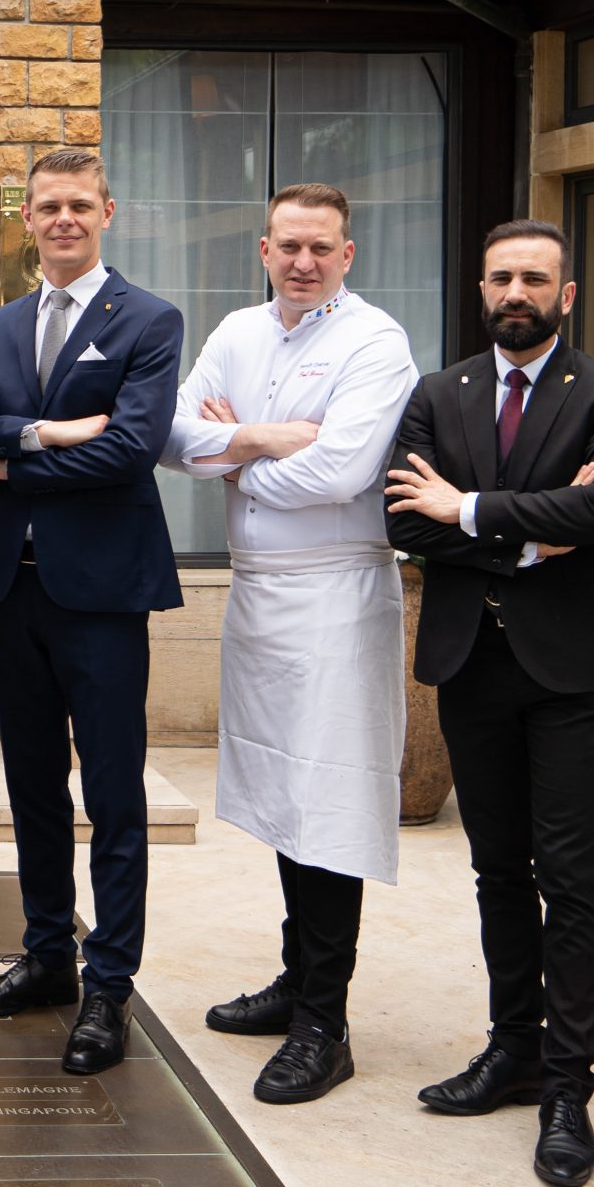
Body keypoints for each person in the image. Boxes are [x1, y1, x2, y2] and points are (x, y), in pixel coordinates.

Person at [384, 219, 594, 1187]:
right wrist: (534, 536)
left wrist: (467, 507)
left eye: (534, 277)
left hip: (571, 670)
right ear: (481, 284)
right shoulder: (439, 390)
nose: (514, 290)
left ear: (565, 293)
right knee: (497, 869)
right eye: (500, 274)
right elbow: (397, 515)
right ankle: (514, 1051)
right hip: (472, 663)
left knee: (568, 876)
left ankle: (567, 1090)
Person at [162, 182, 420, 1104]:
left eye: (322, 248)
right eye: (288, 247)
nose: (304, 262)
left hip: (339, 598)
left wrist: (233, 460)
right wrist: (266, 438)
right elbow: (171, 435)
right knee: (280, 798)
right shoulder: (237, 331)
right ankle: (294, 979)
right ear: (263, 250)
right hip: (259, 599)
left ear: (348, 255)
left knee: (331, 808)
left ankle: (327, 1021)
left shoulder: (375, 341)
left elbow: (344, 468)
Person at [0, 147, 183, 1077]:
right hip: (14, 590)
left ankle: (109, 986)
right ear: (26, 219)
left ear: (108, 212)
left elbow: (132, 451)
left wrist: (10, 462)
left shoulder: (150, 318)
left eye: (79, 206)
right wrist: (39, 435)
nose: (63, 220)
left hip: (101, 591)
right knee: (29, 784)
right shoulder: (0, 324)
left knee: (115, 794)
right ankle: (49, 953)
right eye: (47, 206)